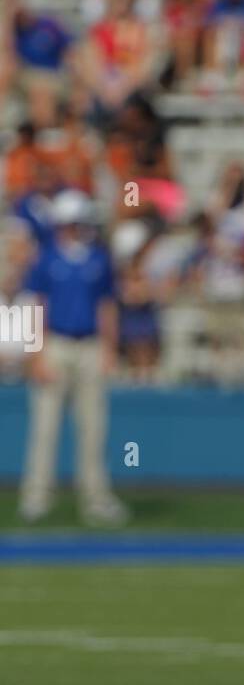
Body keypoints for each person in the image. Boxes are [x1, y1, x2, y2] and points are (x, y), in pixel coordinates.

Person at [19, 190, 128, 525]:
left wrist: (110, 348)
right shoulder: (46, 257)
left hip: (90, 346)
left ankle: (95, 498)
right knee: (45, 427)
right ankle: (36, 496)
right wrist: (36, 353)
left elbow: (106, 306)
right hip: (56, 343)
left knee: (93, 428)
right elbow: (37, 305)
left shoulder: (98, 258)